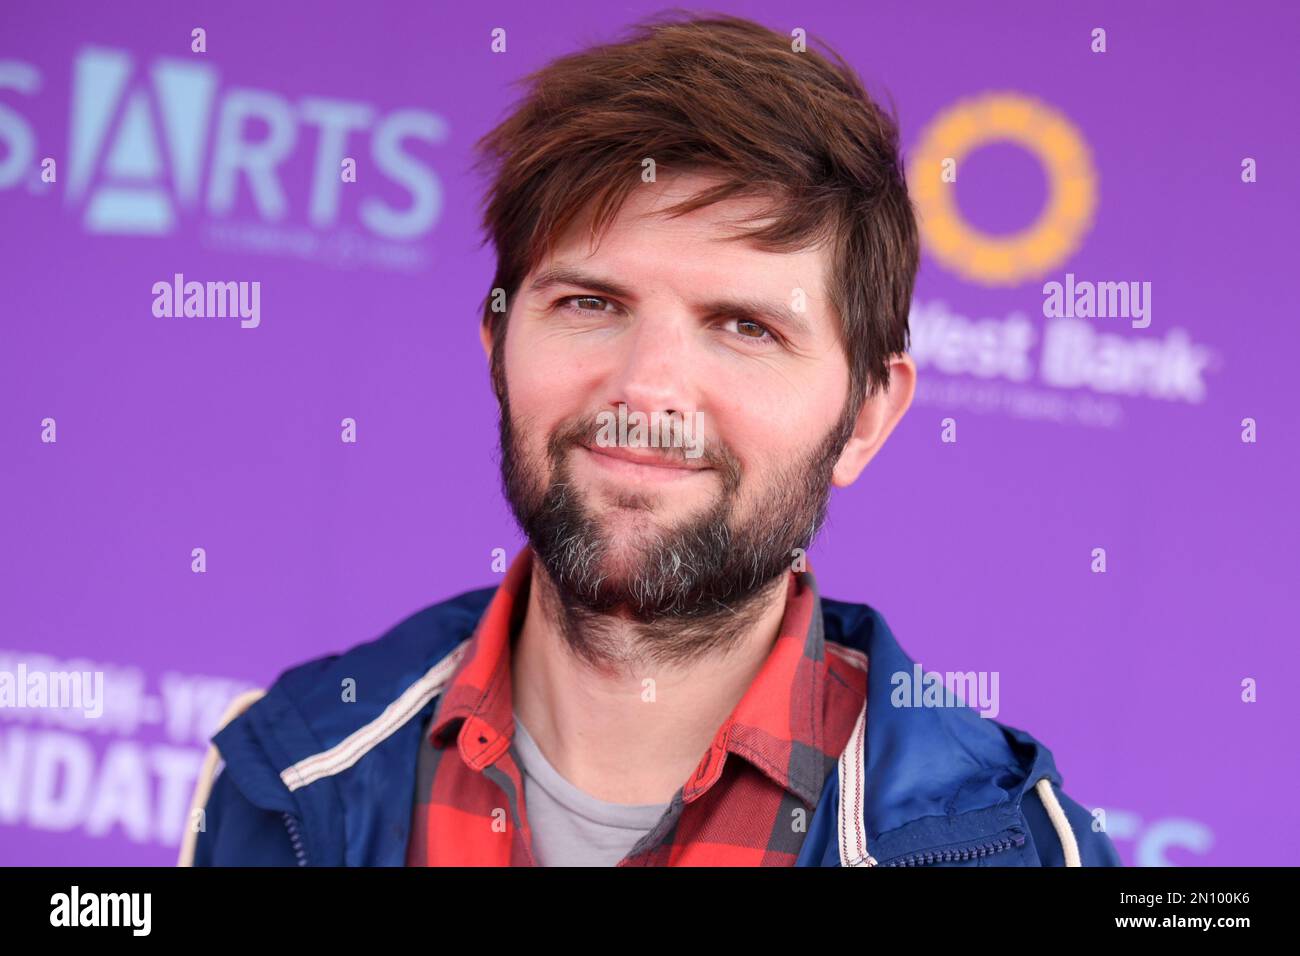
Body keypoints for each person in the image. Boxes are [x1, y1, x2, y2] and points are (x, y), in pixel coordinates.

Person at [182, 12, 1122, 867]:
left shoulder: (1015, 855)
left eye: (747, 326)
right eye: (591, 303)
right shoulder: (289, 771)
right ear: (499, 350)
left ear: (866, 416)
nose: (648, 389)